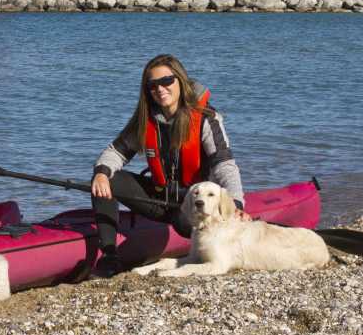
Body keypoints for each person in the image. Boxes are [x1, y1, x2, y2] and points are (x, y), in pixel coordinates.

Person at [90, 54, 246, 277]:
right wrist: (102, 173)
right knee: (106, 180)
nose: (160, 89)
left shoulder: (205, 119)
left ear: (180, 80)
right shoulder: (146, 120)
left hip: (191, 206)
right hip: (157, 199)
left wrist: (236, 203)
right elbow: (115, 152)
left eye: (166, 81)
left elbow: (225, 165)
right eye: (152, 85)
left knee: (188, 219)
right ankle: (109, 256)